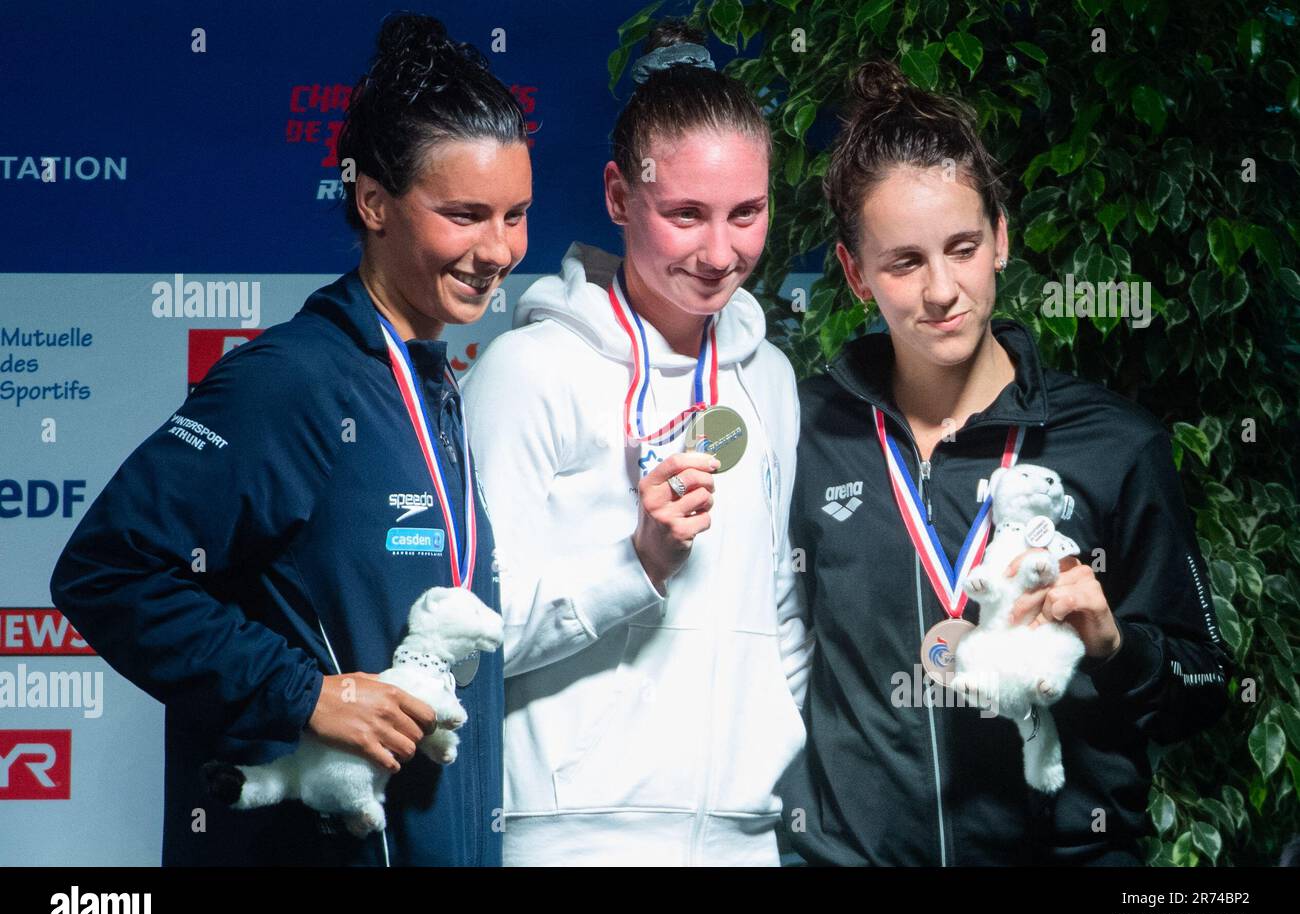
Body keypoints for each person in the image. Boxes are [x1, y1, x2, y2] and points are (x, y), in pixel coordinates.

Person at [48, 13, 531, 866]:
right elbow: (106, 572)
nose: (498, 250)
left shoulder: (427, 381)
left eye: (516, 215)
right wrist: (303, 694)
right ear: (373, 201)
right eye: (465, 215)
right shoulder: (292, 381)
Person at [780, 60, 1231, 866]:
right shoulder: (805, 431)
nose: (942, 290)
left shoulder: (1113, 443)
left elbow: (1207, 686)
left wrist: (1112, 641)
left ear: (1001, 238)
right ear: (854, 275)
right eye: (904, 262)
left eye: (962, 247)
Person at [462, 20, 813, 866]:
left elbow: (782, 605)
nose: (721, 253)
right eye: (686, 215)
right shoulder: (526, 371)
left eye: (748, 213)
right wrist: (639, 564)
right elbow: (471, 630)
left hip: (744, 840)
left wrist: (767, 745)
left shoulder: (770, 378)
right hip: (573, 842)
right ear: (620, 196)